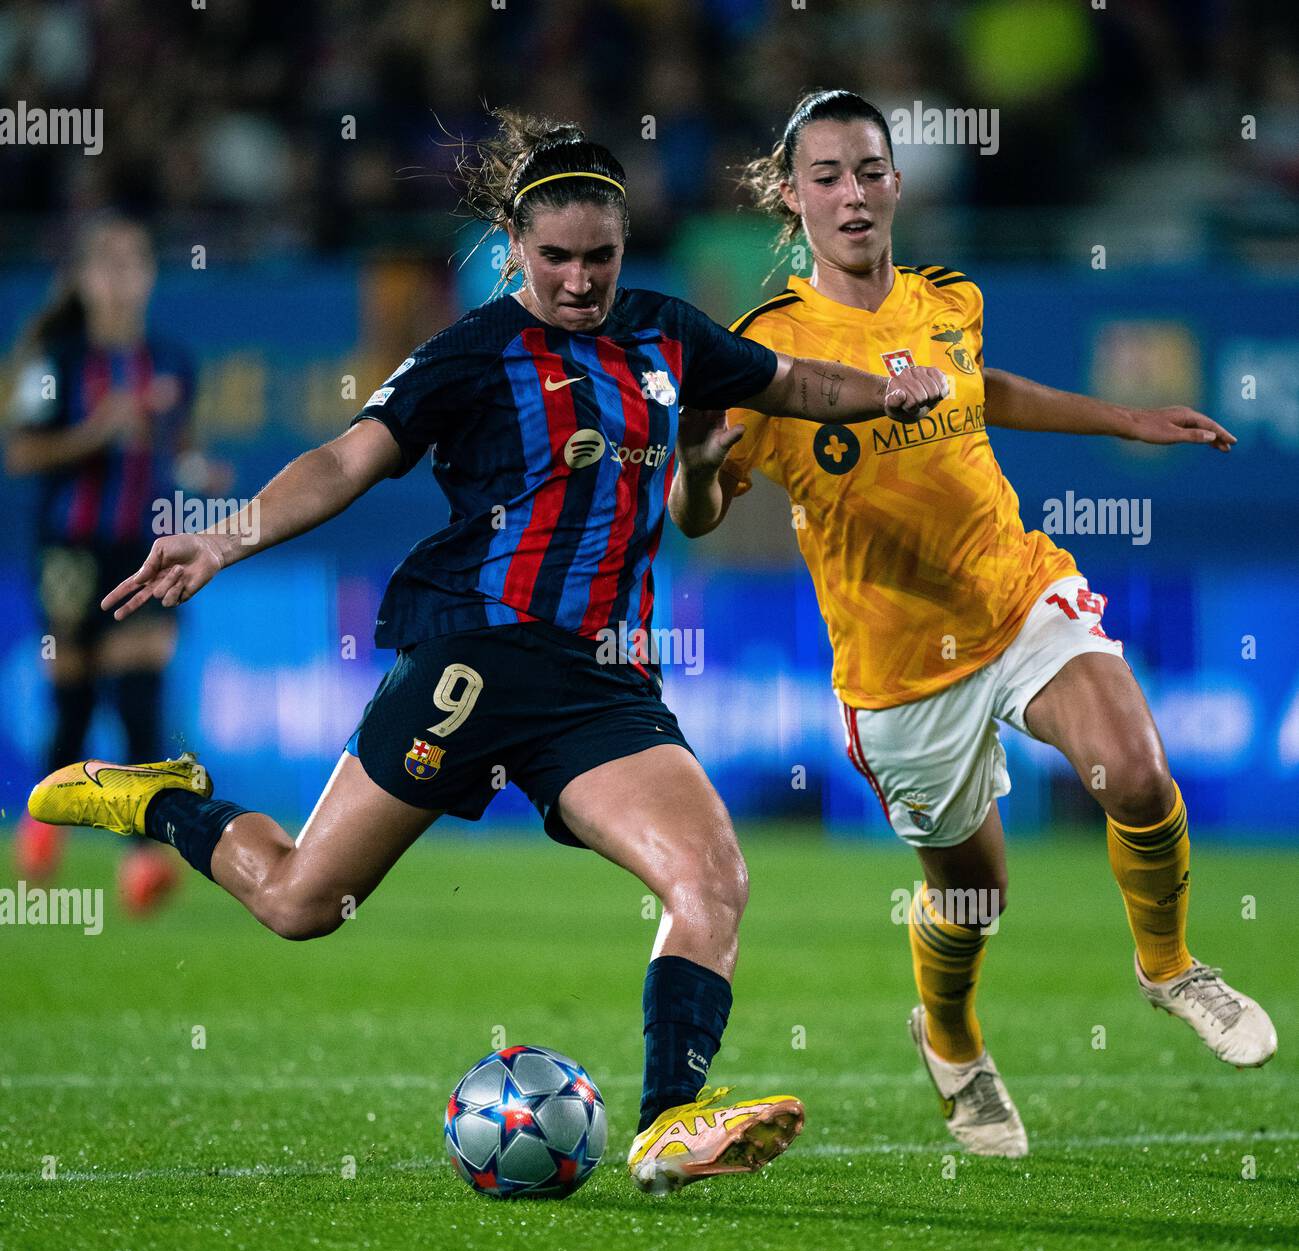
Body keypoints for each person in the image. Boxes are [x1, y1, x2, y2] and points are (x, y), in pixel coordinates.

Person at [28, 109, 954, 1193]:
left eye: (599, 257)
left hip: (603, 681)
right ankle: (161, 799)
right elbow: (345, 459)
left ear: (623, 248)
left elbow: (792, 383)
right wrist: (227, 538)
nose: (577, 280)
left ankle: (667, 1122)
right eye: (554, 257)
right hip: (474, 654)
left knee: (712, 877)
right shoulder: (470, 353)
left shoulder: (665, 333)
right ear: (514, 247)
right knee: (298, 904)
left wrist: (888, 389)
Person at [672, 89, 1276, 1158]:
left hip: (1015, 592)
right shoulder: (765, 347)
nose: (852, 194)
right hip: (898, 668)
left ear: (898, 181)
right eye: (826, 176)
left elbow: (980, 388)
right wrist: (701, 467)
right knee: (974, 892)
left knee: (1132, 770)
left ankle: (1171, 963)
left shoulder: (948, 294)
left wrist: (1126, 415)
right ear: (791, 195)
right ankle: (951, 1040)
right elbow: (700, 516)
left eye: (869, 170)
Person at [6, 214, 217, 913]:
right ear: (87, 278)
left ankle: (140, 860)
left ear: (151, 275)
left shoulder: (175, 361)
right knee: (73, 699)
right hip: (70, 548)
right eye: (111, 265)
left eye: (137, 263)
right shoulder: (55, 362)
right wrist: (95, 432)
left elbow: (179, 449)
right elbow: (21, 452)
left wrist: (198, 469)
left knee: (138, 697)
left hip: (144, 547)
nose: (125, 279)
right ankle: (44, 821)